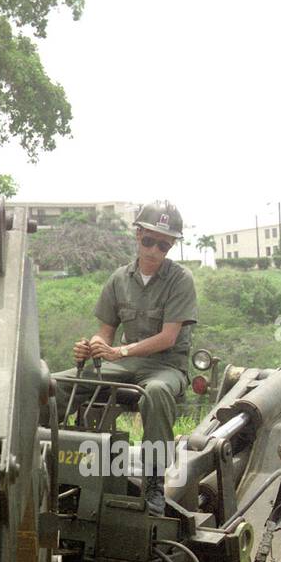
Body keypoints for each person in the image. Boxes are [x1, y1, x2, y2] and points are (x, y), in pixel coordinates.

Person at [72, 199, 197, 514]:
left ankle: (154, 481)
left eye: (163, 245)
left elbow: (168, 337)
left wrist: (118, 351)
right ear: (138, 234)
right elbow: (106, 331)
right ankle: (59, 460)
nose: (154, 250)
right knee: (62, 383)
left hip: (165, 366)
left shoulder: (180, 280)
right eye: (149, 240)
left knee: (155, 392)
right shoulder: (118, 279)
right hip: (124, 363)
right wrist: (93, 346)